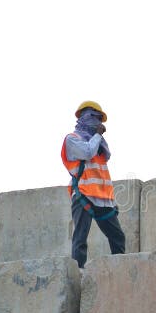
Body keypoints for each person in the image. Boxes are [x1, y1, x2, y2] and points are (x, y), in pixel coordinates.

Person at [60, 101, 126, 268]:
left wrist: (111, 200)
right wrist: (97, 135)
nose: (98, 123)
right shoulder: (72, 139)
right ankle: (78, 274)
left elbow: (102, 175)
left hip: (103, 198)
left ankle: (119, 270)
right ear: (84, 117)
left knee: (118, 237)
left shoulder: (100, 147)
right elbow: (87, 152)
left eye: (100, 120)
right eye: (94, 118)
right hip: (83, 194)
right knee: (80, 239)